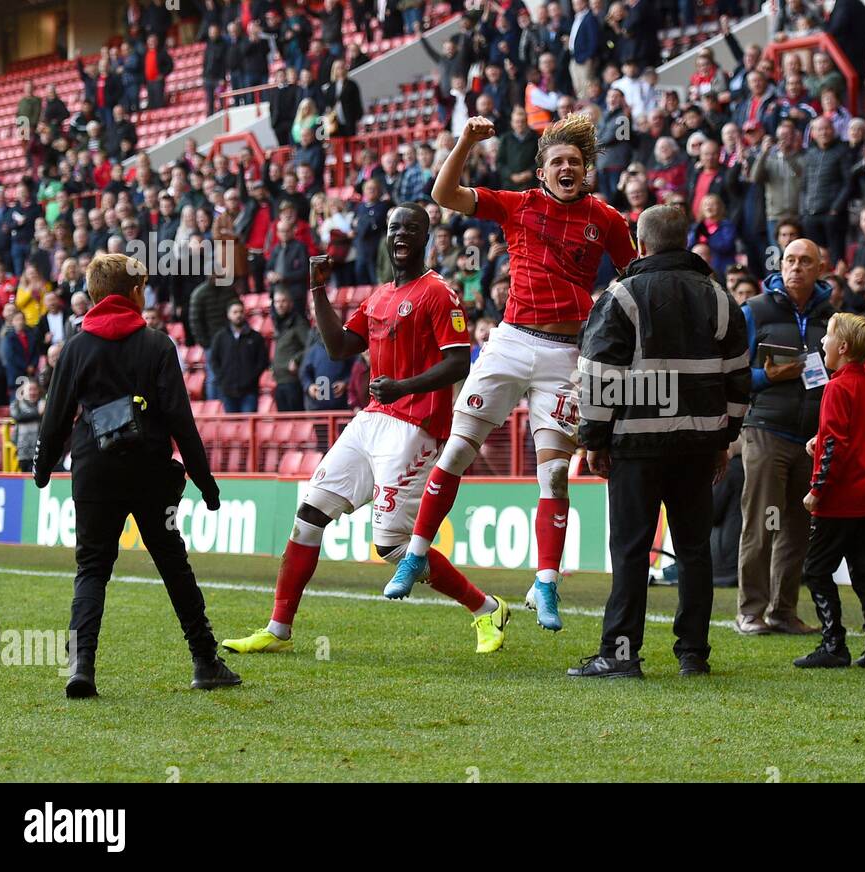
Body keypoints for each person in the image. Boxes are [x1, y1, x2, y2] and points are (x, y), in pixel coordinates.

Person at [223, 204, 511, 656]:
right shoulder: (377, 296)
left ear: (425, 236)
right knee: (308, 516)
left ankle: (486, 607)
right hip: (371, 419)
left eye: (410, 228)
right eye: (394, 228)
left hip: (415, 426)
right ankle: (278, 627)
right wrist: (317, 288)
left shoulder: (439, 293)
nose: (400, 235)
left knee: (392, 546)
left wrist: (402, 387)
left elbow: (457, 363)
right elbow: (338, 346)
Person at [398, 114, 636, 631]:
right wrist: (464, 140)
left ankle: (545, 584)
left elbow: (633, 278)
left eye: (575, 161)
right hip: (509, 343)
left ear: (587, 169)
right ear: (542, 171)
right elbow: (445, 194)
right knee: (459, 449)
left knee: (553, 473)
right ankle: (417, 551)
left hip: (566, 357)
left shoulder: (608, 219)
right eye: (557, 162)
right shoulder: (518, 204)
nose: (567, 168)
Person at [32, 253, 240, 697]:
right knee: (171, 562)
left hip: (93, 473)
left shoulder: (74, 348)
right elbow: (182, 422)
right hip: (149, 473)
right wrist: (206, 483)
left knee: (91, 568)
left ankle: (81, 666)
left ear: (93, 294)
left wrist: (42, 468)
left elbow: (54, 419)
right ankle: (205, 661)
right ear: (133, 292)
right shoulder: (157, 345)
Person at [569, 205, 750, 678]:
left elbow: (598, 374)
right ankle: (693, 654)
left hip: (636, 446)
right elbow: (737, 380)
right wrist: (723, 440)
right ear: (685, 240)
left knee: (631, 550)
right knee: (694, 551)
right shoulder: (720, 297)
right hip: (697, 447)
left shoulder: (622, 295)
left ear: (642, 245)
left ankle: (621, 654)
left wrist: (594, 439)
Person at [735, 238, 834, 636]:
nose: (796, 267)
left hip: (810, 436)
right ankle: (750, 611)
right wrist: (766, 377)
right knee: (760, 523)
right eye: (790, 260)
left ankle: (783, 611)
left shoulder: (833, 316)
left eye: (805, 261)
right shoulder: (754, 310)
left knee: (796, 528)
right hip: (765, 430)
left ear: (820, 268)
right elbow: (731, 372)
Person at [793, 313, 865, 669]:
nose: (822, 343)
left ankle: (833, 642)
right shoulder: (864, 385)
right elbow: (849, 437)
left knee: (817, 570)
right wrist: (820, 442)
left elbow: (836, 443)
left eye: (829, 337)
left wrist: (817, 489)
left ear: (844, 347)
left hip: (839, 499)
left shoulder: (836, 387)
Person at [208, 300, 268, 413]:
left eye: (241, 311)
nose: (238, 315)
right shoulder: (220, 337)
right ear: (228, 314)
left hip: (249, 391)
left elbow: (262, 361)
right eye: (235, 312)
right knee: (231, 427)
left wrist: (251, 378)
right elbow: (214, 360)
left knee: (248, 427)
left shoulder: (256, 337)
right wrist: (222, 378)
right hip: (227, 392)